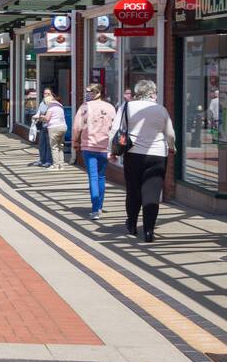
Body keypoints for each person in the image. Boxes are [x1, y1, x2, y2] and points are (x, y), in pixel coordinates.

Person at [109, 79, 175, 242]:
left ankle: (132, 224)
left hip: (134, 153)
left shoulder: (127, 107)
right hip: (158, 155)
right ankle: (149, 231)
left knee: (133, 190)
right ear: (152, 93)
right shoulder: (161, 110)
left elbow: (115, 129)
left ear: (137, 93)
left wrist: (112, 151)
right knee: (152, 193)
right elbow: (170, 134)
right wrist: (172, 147)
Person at [72, 83, 116, 219]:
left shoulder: (85, 107)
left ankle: (96, 208)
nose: (87, 94)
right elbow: (115, 127)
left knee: (93, 176)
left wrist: (75, 142)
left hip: (89, 146)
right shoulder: (110, 107)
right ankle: (100, 206)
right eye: (87, 91)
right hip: (104, 146)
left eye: (90, 91)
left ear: (97, 92)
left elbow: (76, 127)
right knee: (101, 177)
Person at [30, 89, 54, 167]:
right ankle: (42, 160)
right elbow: (39, 113)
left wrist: (40, 117)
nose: (46, 94)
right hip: (43, 126)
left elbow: (50, 116)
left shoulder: (52, 103)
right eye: (44, 93)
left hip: (50, 126)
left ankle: (48, 161)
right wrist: (35, 117)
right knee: (41, 144)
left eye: (48, 93)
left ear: (51, 94)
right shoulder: (42, 103)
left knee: (48, 144)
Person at [45, 90, 67, 169]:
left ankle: (55, 166)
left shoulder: (51, 107)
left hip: (54, 127)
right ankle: (62, 165)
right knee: (60, 146)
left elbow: (47, 118)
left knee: (54, 147)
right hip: (63, 126)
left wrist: (40, 118)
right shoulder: (60, 105)